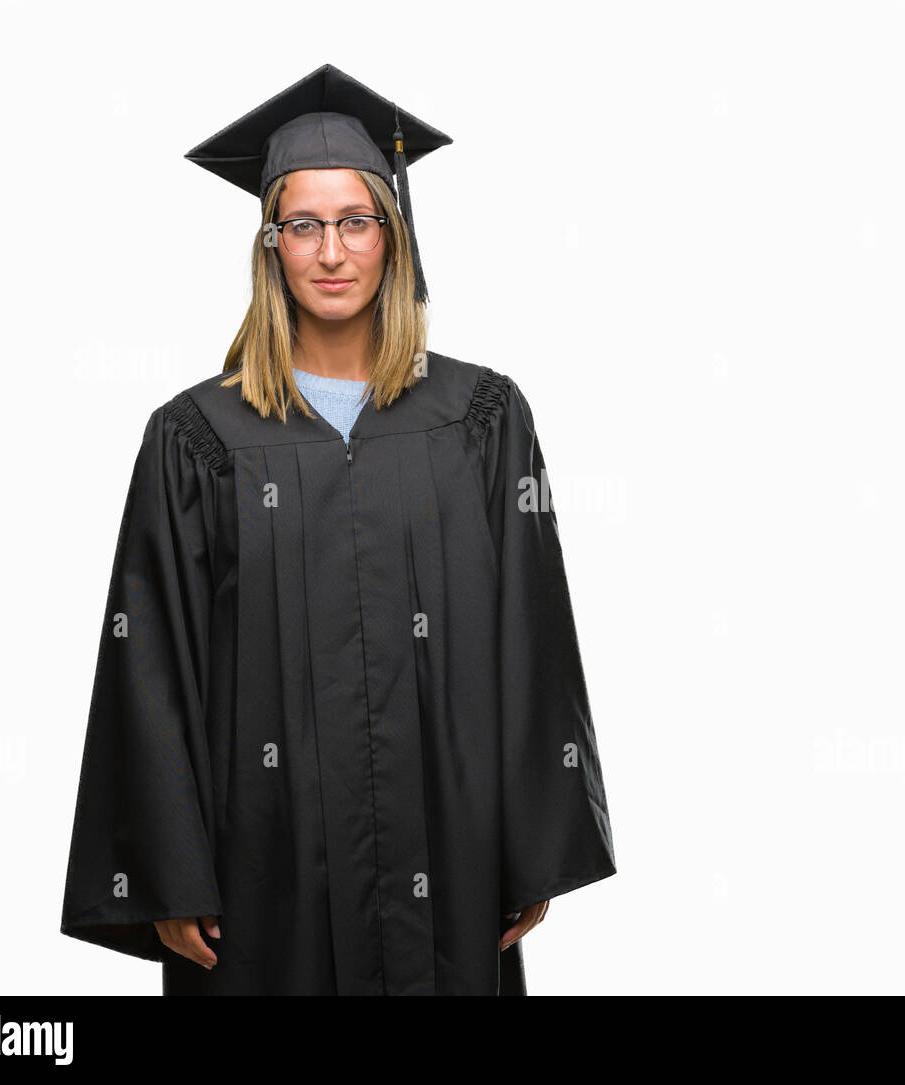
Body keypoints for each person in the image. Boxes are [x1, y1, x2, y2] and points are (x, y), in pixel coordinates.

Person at [60, 63, 616, 996]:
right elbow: (149, 671)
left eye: (356, 221)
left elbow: (534, 641)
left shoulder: (481, 418)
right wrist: (169, 871)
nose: (331, 252)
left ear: (393, 238)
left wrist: (530, 846)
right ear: (269, 244)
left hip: (450, 854)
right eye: (304, 225)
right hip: (260, 873)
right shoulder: (196, 438)